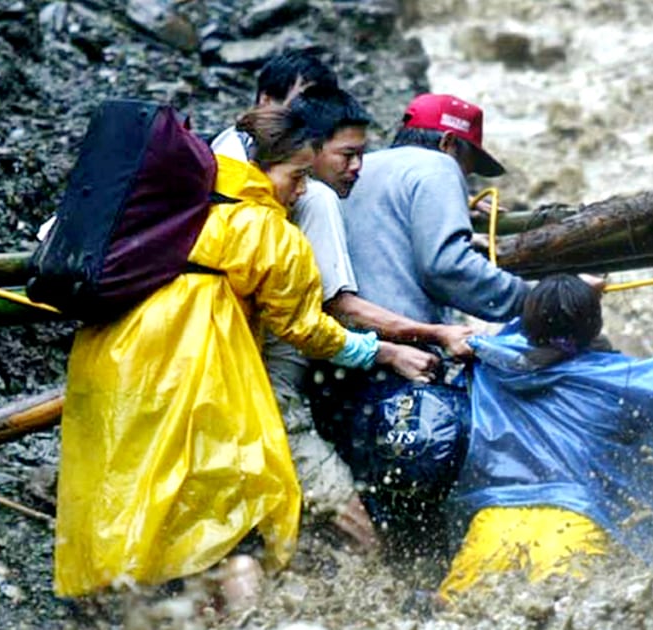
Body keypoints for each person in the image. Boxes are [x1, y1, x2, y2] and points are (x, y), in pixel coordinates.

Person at [53, 103, 401, 598]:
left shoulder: (173, 207)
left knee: (146, 504)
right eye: (297, 176)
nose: (302, 190)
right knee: (237, 523)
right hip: (201, 377)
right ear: (262, 168)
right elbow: (305, 328)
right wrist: (371, 350)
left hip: (111, 359)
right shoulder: (270, 232)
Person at [437, 241, 653, 601]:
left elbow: (526, 334)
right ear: (594, 326)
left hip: (492, 526)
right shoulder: (620, 382)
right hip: (576, 528)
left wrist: (565, 301)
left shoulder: (486, 362)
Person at [311, 93, 534, 563]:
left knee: (376, 509)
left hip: (335, 364)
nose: (466, 177)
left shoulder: (357, 171)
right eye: (469, 164)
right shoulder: (436, 168)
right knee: (423, 522)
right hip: (399, 370)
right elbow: (446, 267)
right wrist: (531, 300)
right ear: (452, 144)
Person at [263, 86, 474, 549]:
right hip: (274, 392)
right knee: (356, 524)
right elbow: (333, 310)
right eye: (348, 155)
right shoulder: (314, 199)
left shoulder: (257, 198)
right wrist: (412, 342)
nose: (359, 166)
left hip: (280, 380)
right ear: (309, 149)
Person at [211, 49, 338, 164]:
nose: (314, 113)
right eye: (305, 101)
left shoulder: (343, 155)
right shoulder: (232, 158)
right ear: (266, 101)